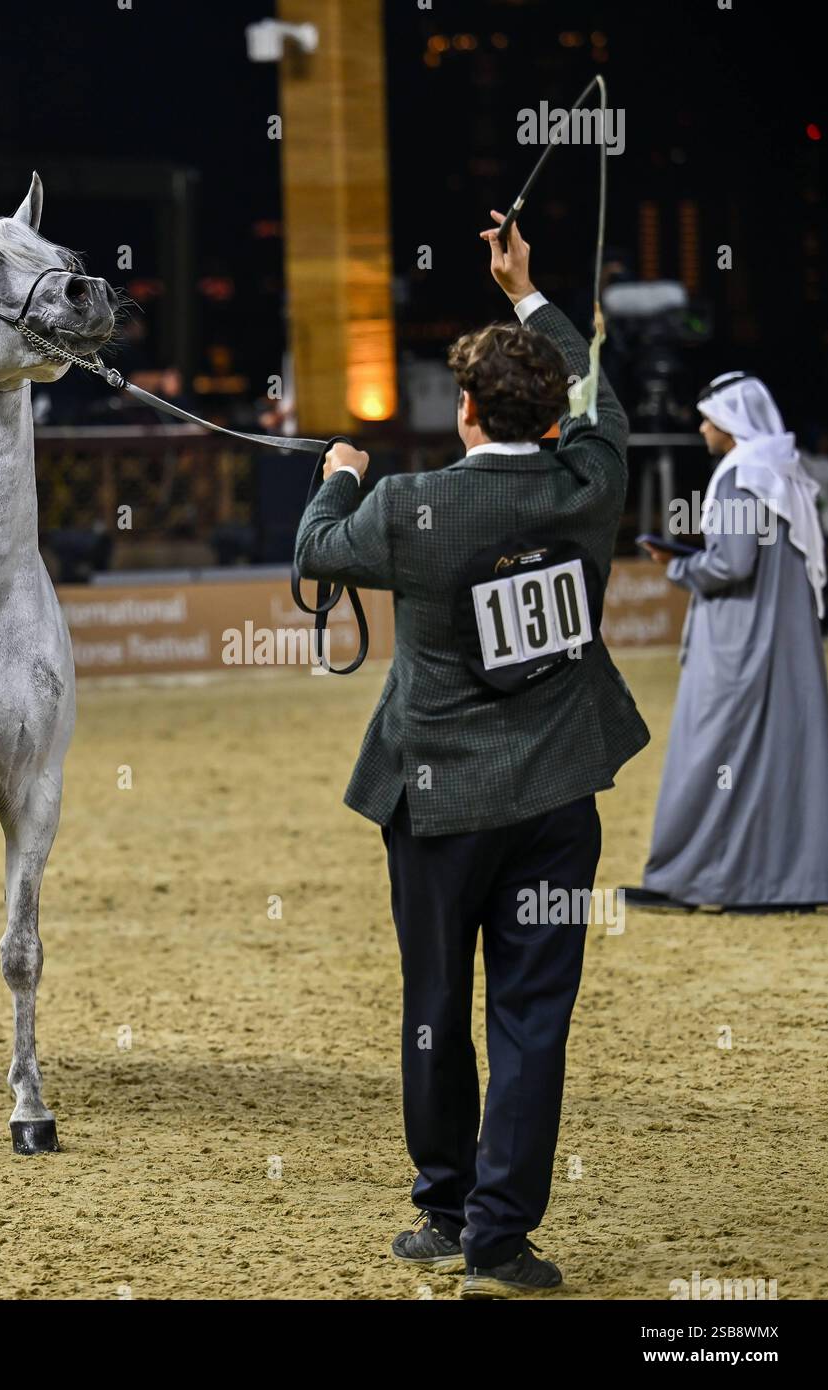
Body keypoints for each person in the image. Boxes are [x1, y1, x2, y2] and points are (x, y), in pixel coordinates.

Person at [293, 212, 649, 1298]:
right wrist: (530, 297)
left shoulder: (410, 507)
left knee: (436, 1004)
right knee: (533, 1018)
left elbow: (314, 552)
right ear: (546, 419)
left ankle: (444, 1208)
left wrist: (341, 472)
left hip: (441, 804)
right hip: (554, 799)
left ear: (462, 414)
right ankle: (500, 1232)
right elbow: (600, 399)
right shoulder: (586, 483)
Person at [628, 374, 828, 910]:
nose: (702, 428)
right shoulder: (786, 470)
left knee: (709, 752)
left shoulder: (741, 475)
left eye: (710, 418)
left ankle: (687, 880)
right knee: (776, 757)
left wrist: (678, 565)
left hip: (738, 641)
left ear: (732, 424)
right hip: (784, 638)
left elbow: (732, 563)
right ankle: (781, 885)